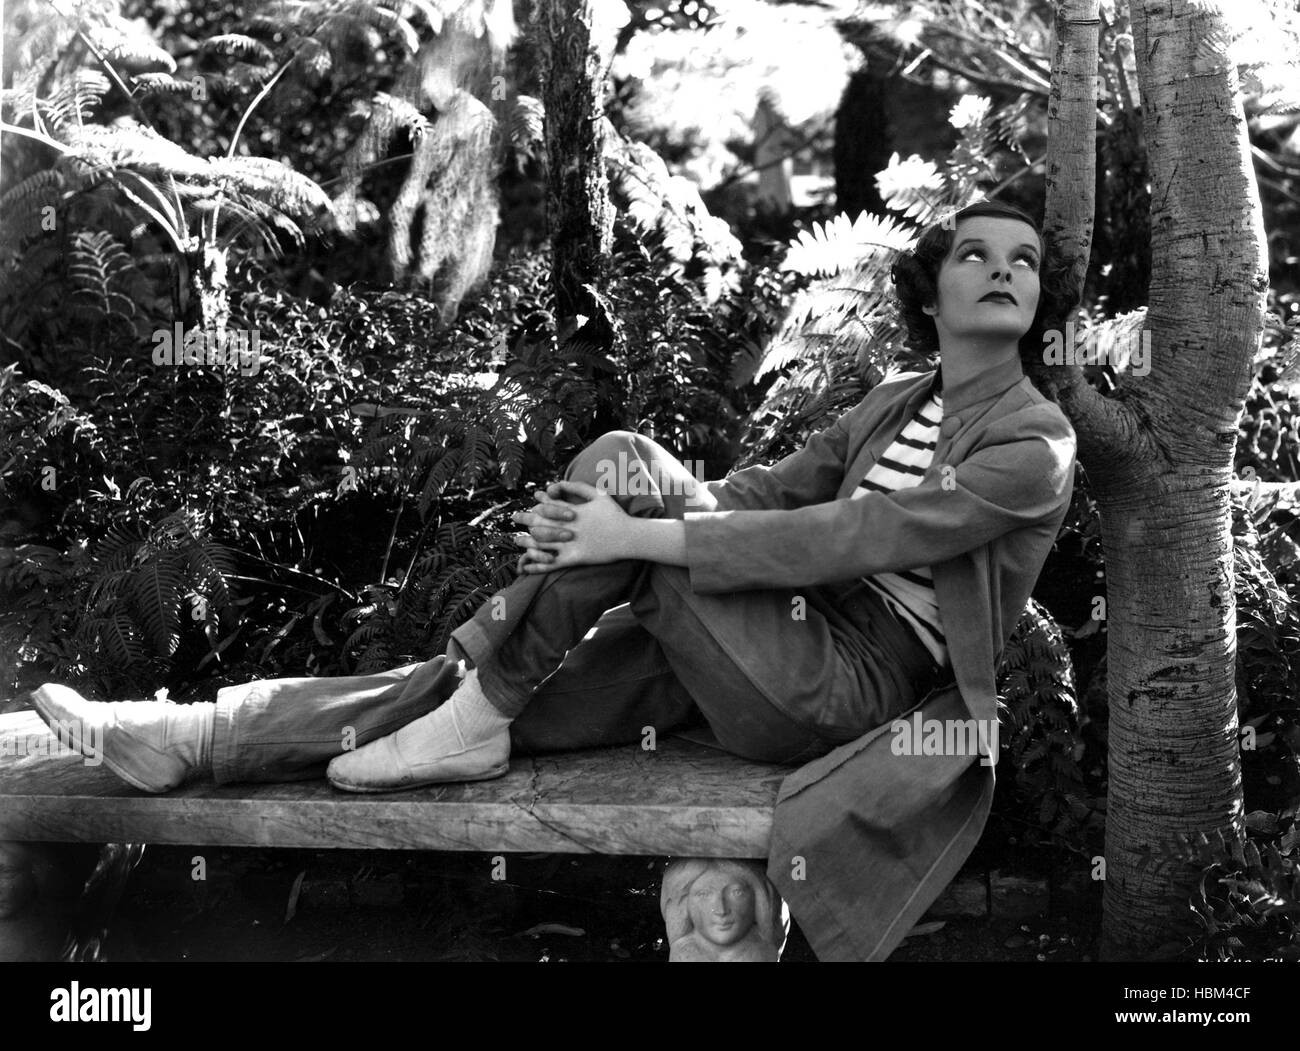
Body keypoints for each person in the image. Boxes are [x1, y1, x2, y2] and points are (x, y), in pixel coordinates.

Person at [32, 200, 1077, 959]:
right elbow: (766, 492)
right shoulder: (896, 399)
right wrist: (620, 526)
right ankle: (195, 737)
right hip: (751, 637)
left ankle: (483, 696)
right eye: (974, 253)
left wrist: (635, 528)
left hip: (844, 687)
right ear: (931, 287)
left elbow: (847, 537)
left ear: (1037, 300)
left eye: (1022, 261)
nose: (1000, 269)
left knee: (619, 467)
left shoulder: (1034, 444)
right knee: (482, 674)